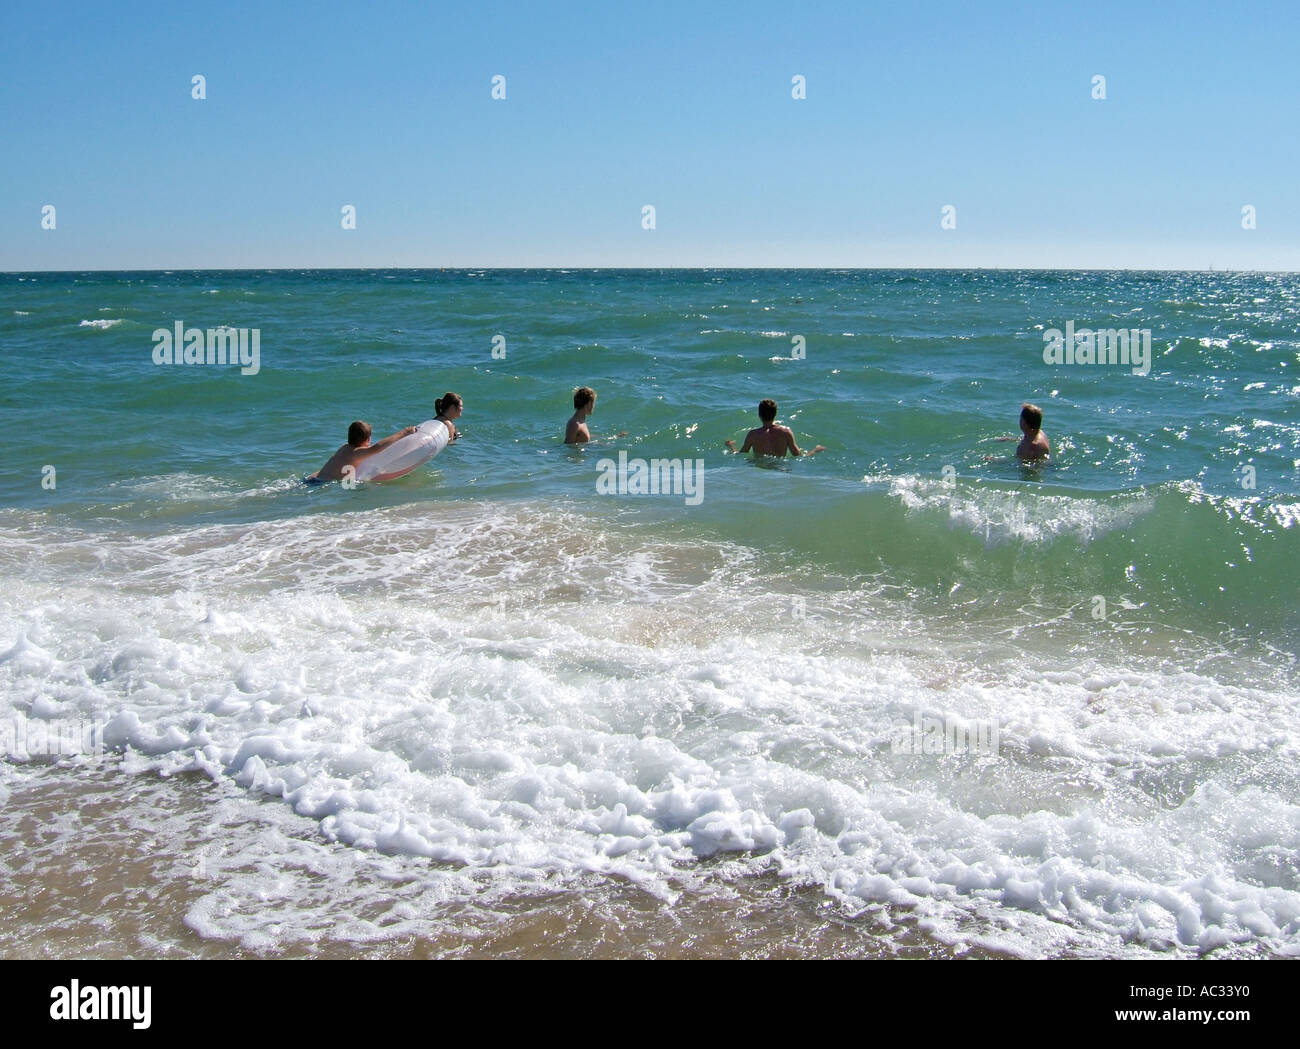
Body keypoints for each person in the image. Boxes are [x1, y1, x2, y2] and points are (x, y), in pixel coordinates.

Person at [307, 420, 417, 483]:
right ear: (367, 440)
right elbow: (377, 448)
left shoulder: (344, 447)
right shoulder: (356, 453)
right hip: (320, 484)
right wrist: (405, 432)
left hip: (313, 479)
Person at [725, 398, 825, 457]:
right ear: (775, 414)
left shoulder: (753, 434)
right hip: (780, 471)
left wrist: (731, 446)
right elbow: (798, 456)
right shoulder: (786, 432)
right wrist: (815, 450)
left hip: (759, 470)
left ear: (759, 415)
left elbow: (741, 454)